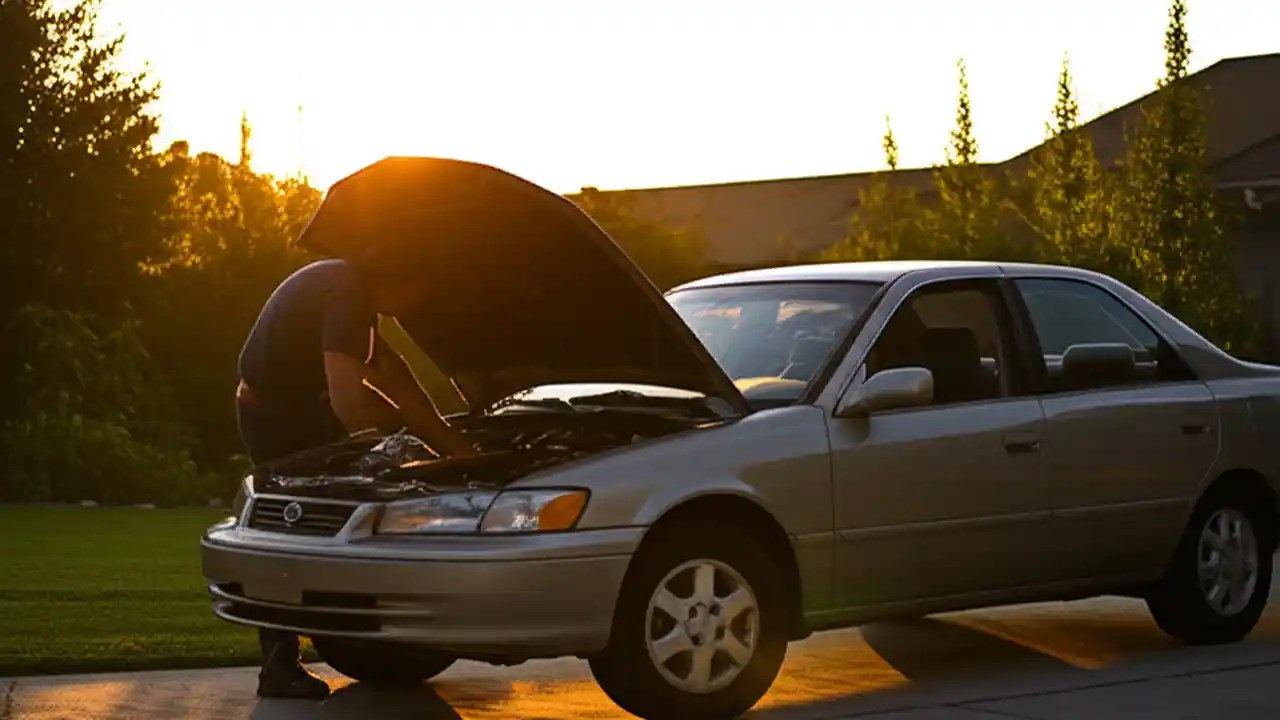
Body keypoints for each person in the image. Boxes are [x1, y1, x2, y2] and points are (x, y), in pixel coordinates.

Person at [235, 258, 469, 699]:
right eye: (419, 293)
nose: (414, 307)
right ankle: (279, 667)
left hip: (291, 409)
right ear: (401, 279)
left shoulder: (346, 290)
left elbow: (396, 381)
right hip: (275, 419)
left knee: (320, 521)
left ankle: (356, 634)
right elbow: (350, 404)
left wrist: (454, 447)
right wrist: (393, 445)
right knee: (295, 527)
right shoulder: (349, 297)